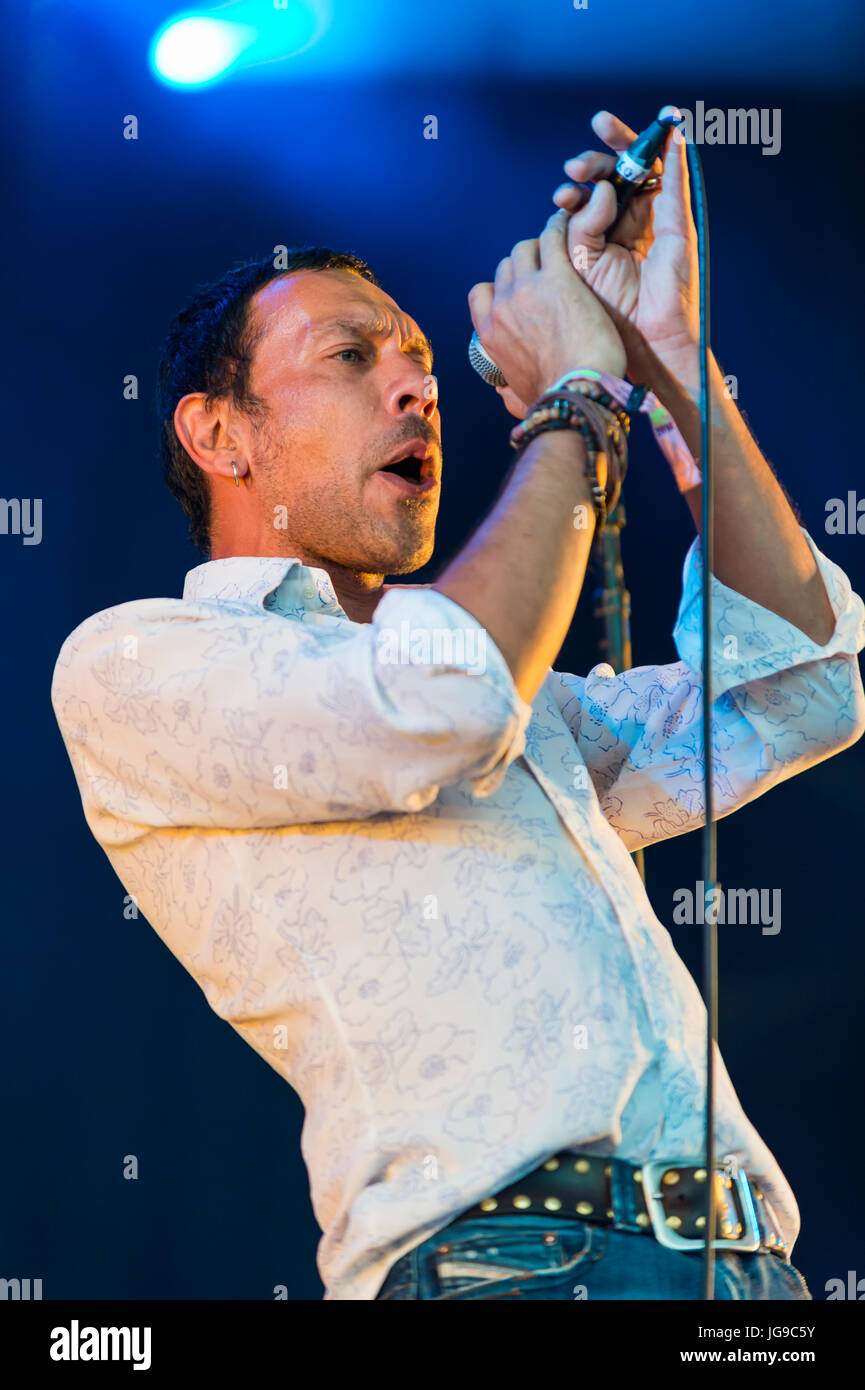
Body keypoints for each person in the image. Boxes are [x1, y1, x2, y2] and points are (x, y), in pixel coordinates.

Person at [51, 109, 864, 1301]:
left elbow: (797, 689)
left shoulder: (517, 700)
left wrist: (669, 360)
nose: (416, 388)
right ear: (218, 431)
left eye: (423, 362)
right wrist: (575, 398)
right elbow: (441, 703)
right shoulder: (138, 660)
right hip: (505, 1268)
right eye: (350, 356)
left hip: (745, 1275)